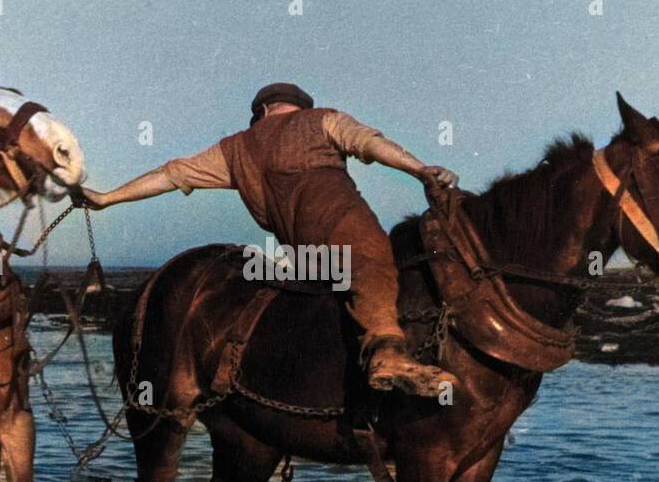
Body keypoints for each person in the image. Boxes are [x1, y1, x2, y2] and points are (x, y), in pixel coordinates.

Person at [82, 82, 460, 395]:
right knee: (379, 265)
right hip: (345, 233)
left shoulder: (234, 149)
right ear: (298, 107)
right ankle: (388, 353)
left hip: (303, 258)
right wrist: (419, 169)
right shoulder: (321, 120)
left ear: (262, 111)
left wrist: (106, 197)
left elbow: (170, 175)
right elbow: (369, 143)